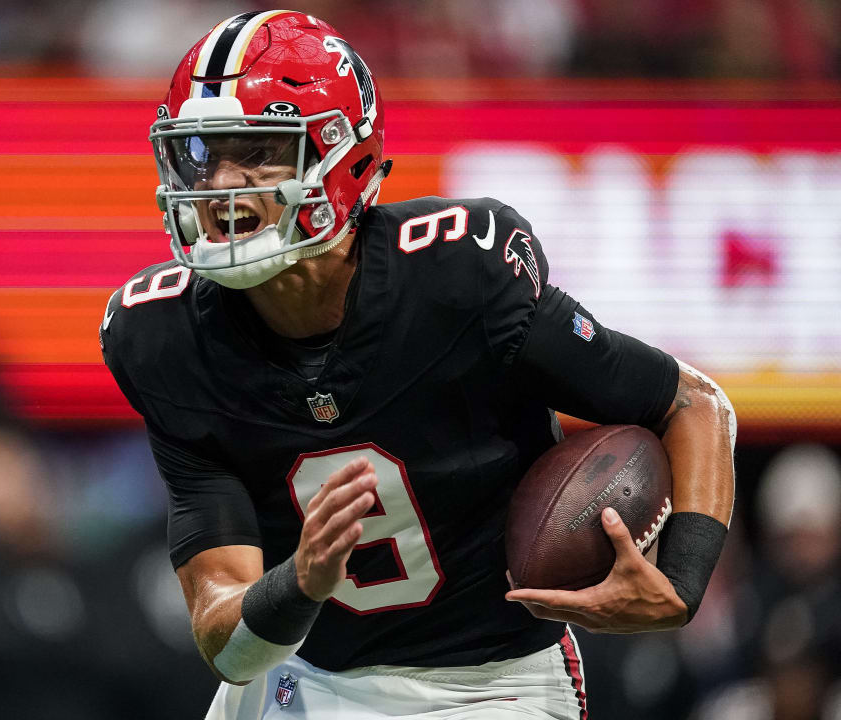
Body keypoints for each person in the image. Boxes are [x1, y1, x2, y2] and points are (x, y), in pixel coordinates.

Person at [100, 9, 737, 718]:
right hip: (298, 678)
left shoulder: (459, 276)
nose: (219, 185)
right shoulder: (162, 335)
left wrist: (681, 583)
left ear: (343, 156)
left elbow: (691, 404)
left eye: (257, 152)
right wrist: (298, 583)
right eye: (201, 152)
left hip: (490, 683)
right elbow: (228, 649)